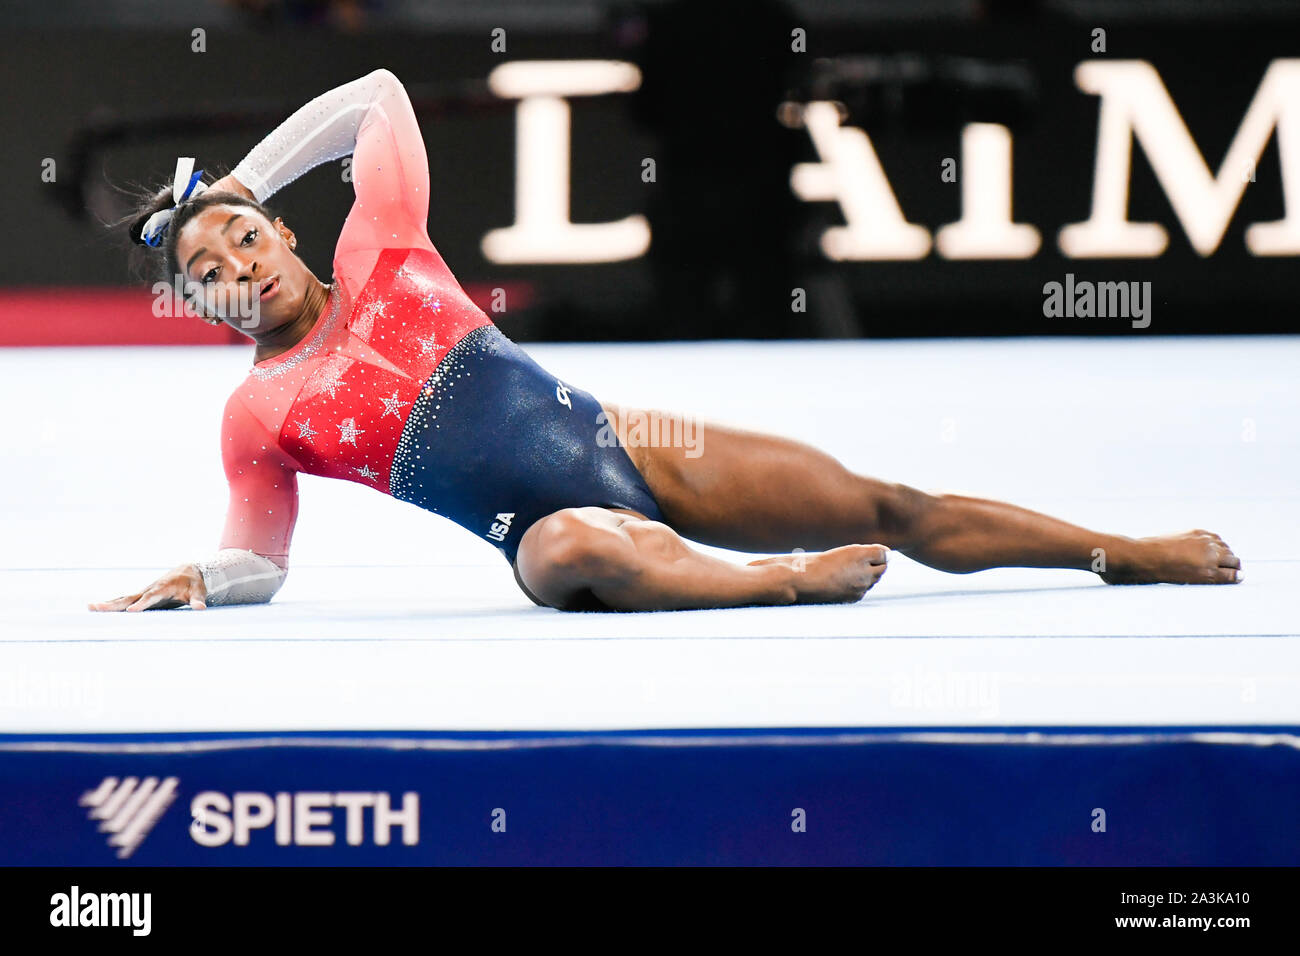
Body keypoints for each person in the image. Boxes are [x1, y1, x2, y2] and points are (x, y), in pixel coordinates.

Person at [89, 70, 1240, 614]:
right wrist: (205, 576)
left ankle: (1116, 549)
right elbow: (265, 558)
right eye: (208, 273)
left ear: (280, 226)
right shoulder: (260, 413)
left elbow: (381, 97)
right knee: (584, 545)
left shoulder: (380, 248)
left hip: (634, 438)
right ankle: (777, 583)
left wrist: (235, 173)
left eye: (242, 234)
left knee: (888, 499)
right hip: (539, 535)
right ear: (203, 308)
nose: (236, 264)